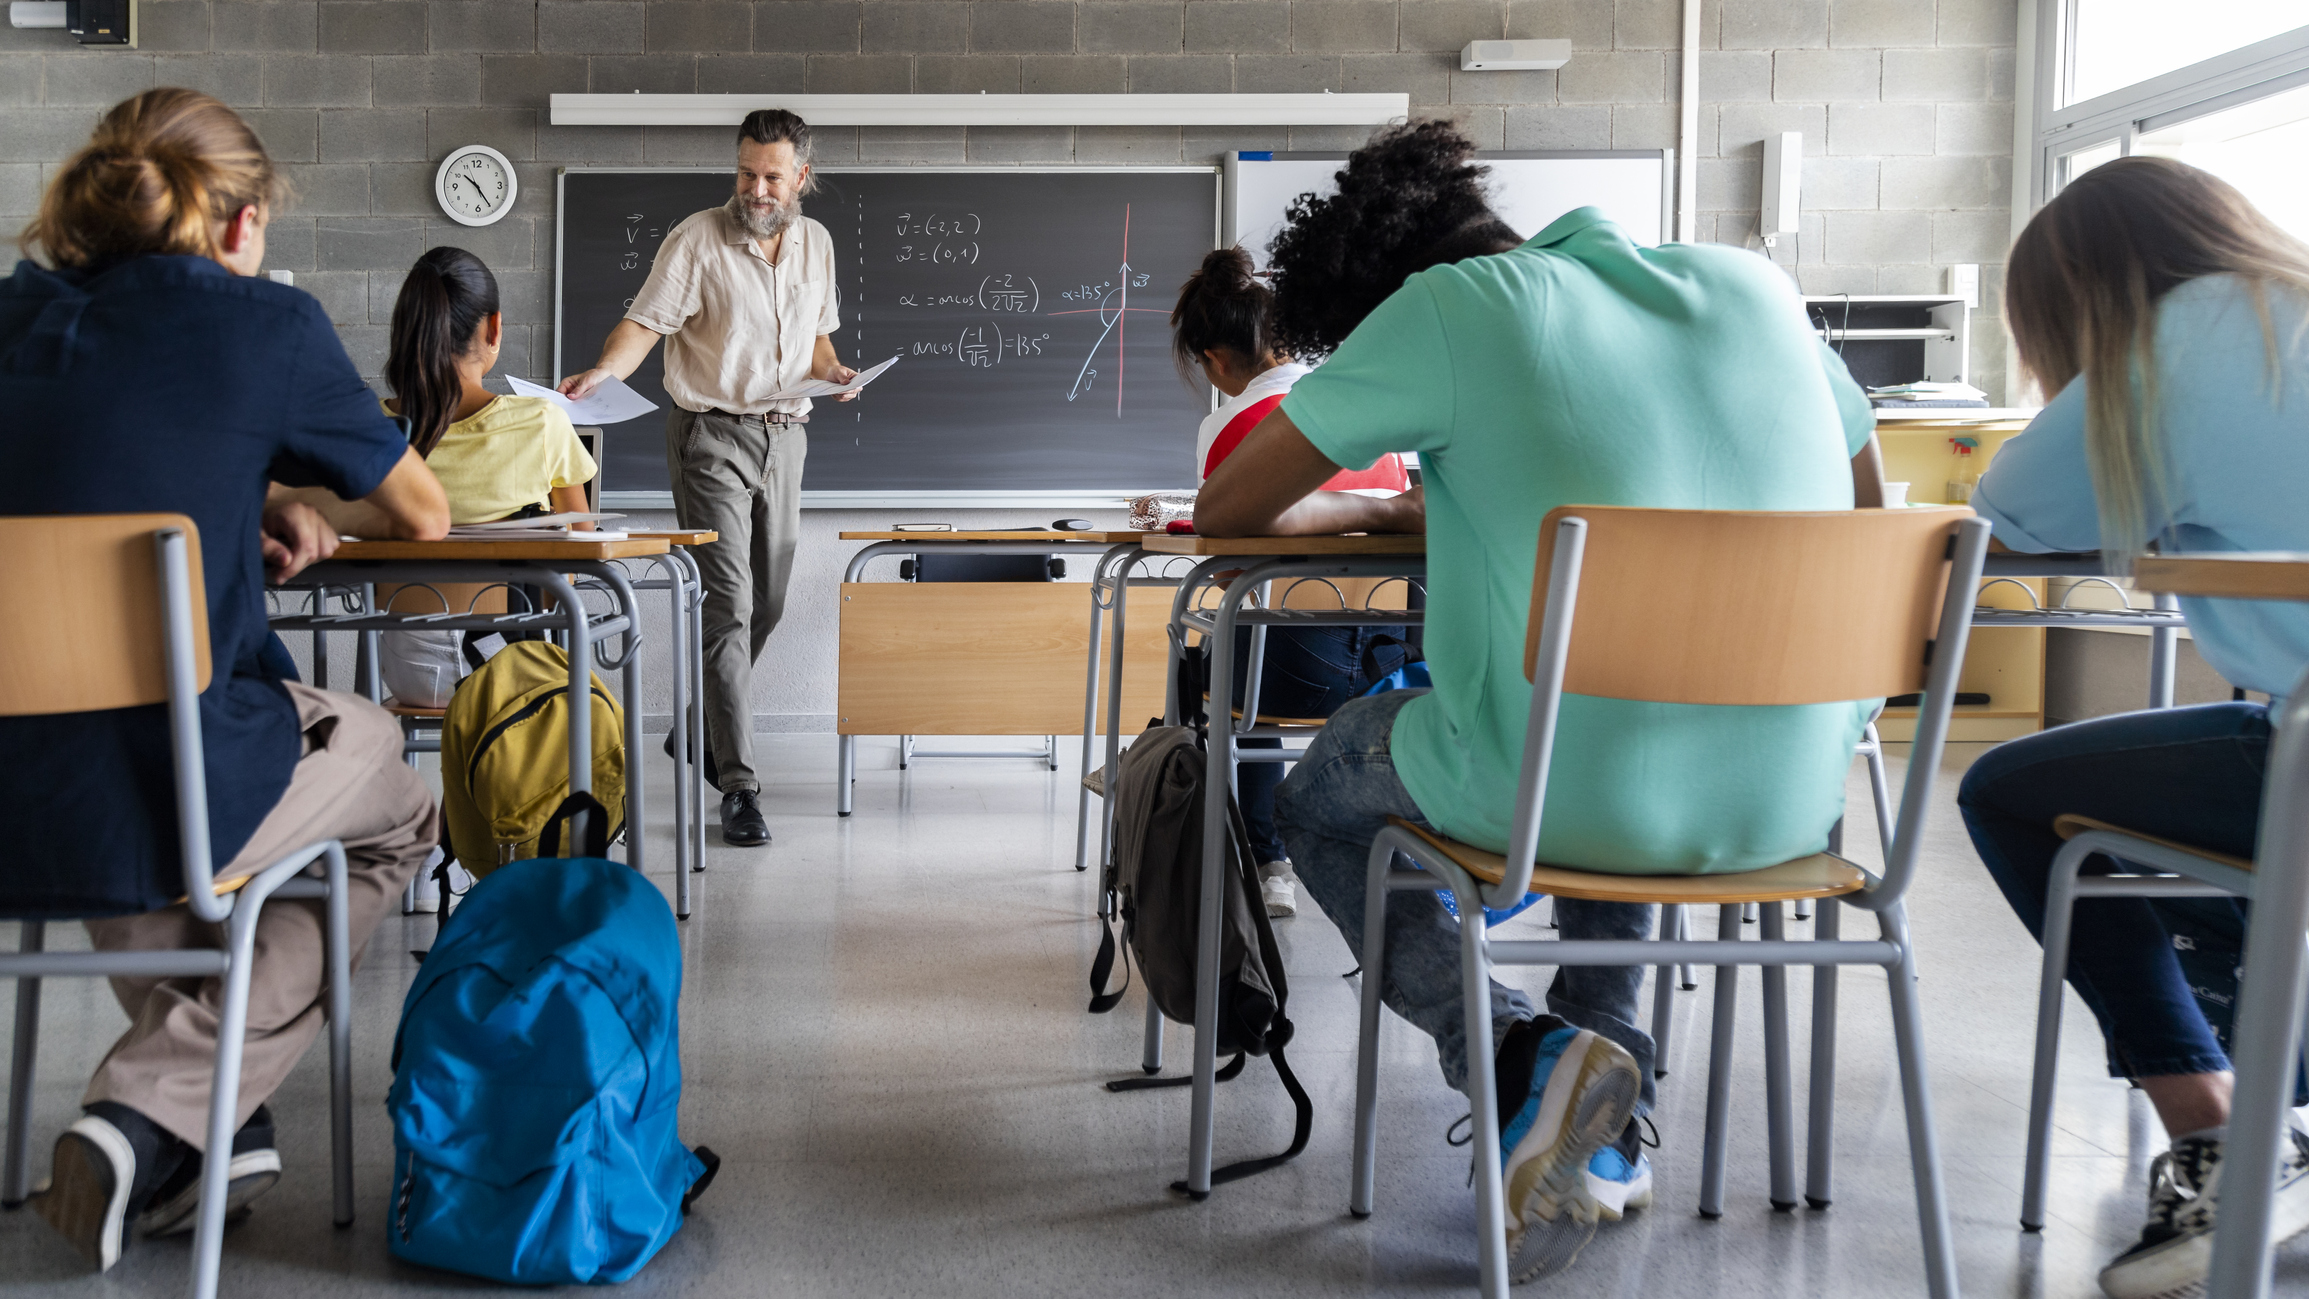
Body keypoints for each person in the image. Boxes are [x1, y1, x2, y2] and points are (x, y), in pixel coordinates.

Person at [1195, 121, 1883, 1283]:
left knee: (1320, 800)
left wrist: (1381, 508)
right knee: (1628, 723)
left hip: (1566, 782)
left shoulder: (1452, 307)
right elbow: (1866, 509)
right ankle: (1605, 1115)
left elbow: (1228, 504)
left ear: (1383, 294)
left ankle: (1521, 1055)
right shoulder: (1757, 291)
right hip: (1793, 799)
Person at [0, 88, 450, 1271]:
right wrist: (285, 488)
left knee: (124, 784)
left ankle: (220, 1138)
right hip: (174, 778)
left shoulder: (10, 314)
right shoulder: (265, 326)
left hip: (23, 798)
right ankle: (152, 1113)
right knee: (394, 805)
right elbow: (421, 510)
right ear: (242, 223)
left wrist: (241, 492)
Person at [1956, 156, 2309, 1299]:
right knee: (2181, 803)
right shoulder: (2285, 306)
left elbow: (2012, 508)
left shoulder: (2179, 341)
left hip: (2301, 748)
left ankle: (2218, 1131)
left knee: (2011, 794)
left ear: (2084, 293)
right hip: (2285, 729)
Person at [557, 108, 856, 848]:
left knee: (769, 602)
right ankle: (739, 786)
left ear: (801, 177)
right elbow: (644, 324)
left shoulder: (817, 243)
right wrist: (603, 371)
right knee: (728, 604)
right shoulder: (697, 238)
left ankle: (696, 728)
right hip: (710, 436)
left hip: (787, 434)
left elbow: (818, 339)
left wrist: (834, 372)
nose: (757, 189)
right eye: (747, 173)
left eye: (772, 177)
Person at [1171, 246, 1415, 917]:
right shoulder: (1379, 419)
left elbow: (1229, 561)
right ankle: (1386, 850)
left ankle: (1267, 856)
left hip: (1288, 675)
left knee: (1225, 641)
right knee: (1258, 633)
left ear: (1215, 360)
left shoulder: (1229, 426)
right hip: (1390, 667)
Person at [370, 246, 598, 708]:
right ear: (494, 328)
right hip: (514, 667)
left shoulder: (369, 428)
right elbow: (581, 548)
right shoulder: (540, 422)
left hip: (410, 673)